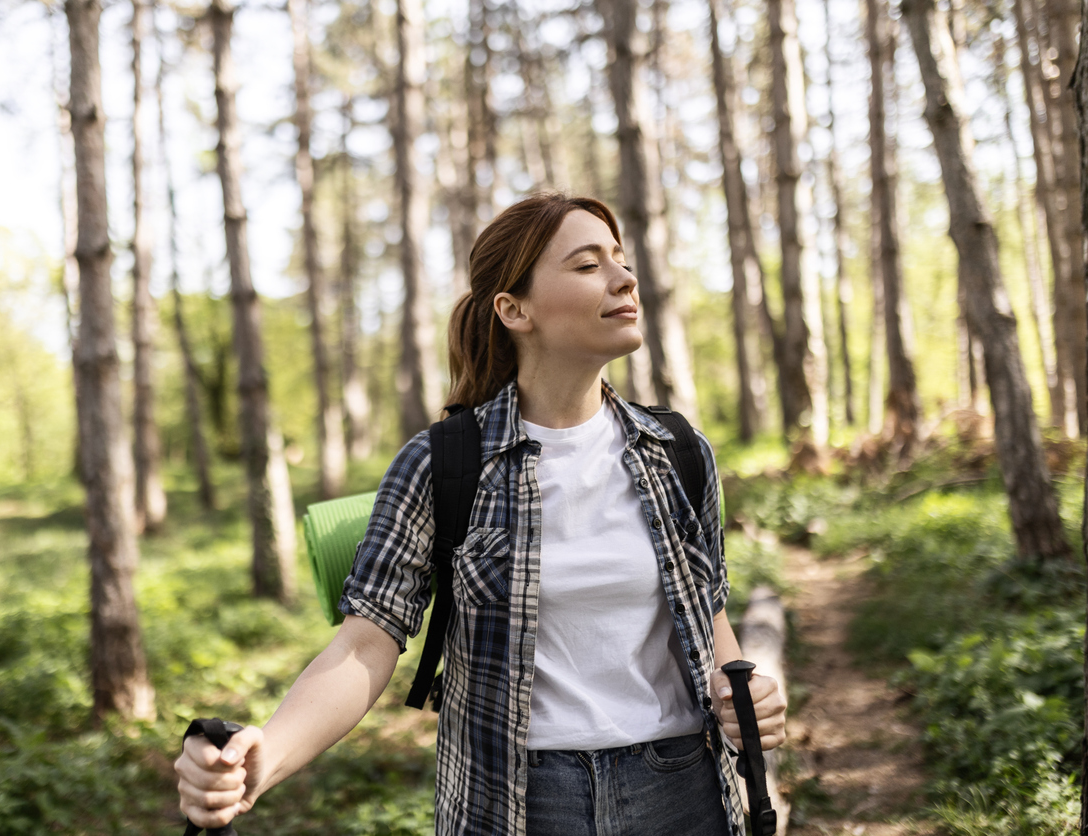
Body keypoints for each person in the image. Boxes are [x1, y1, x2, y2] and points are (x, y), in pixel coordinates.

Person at [176, 193, 787, 835]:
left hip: (682, 794)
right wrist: (264, 757)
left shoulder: (678, 451)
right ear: (514, 310)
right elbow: (365, 642)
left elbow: (708, 613)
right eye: (588, 265)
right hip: (516, 804)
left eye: (621, 260)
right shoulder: (442, 462)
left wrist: (740, 697)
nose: (624, 278)